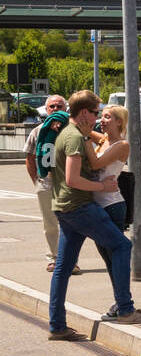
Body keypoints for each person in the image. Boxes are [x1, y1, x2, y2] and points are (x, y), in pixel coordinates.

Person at [46, 91, 141, 338]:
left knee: (63, 267)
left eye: (104, 115)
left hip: (65, 208)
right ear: (84, 113)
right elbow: (73, 178)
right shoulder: (74, 138)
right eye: (95, 113)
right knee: (122, 247)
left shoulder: (74, 134)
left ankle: (57, 326)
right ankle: (125, 309)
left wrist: (86, 132)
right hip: (79, 207)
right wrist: (102, 187)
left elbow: (102, 145)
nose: (97, 118)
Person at [24, 94, 70, 272]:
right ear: (46, 109)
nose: (56, 109)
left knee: (70, 223)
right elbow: (29, 157)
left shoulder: (71, 129)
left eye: (59, 106)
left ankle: (69, 259)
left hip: (68, 182)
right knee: (50, 223)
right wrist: (36, 180)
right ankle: (54, 257)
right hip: (46, 182)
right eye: (52, 107)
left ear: (65, 108)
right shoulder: (38, 131)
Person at [91, 104, 130, 283]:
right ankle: (119, 299)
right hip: (97, 203)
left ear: (119, 122)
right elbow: (93, 135)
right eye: (102, 116)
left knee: (115, 256)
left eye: (107, 117)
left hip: (112, 205)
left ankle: (123, 300)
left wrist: (83, 137)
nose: (102, 120)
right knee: (106, 257)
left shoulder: (122, 145)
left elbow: (95, 165)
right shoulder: (104, 141)